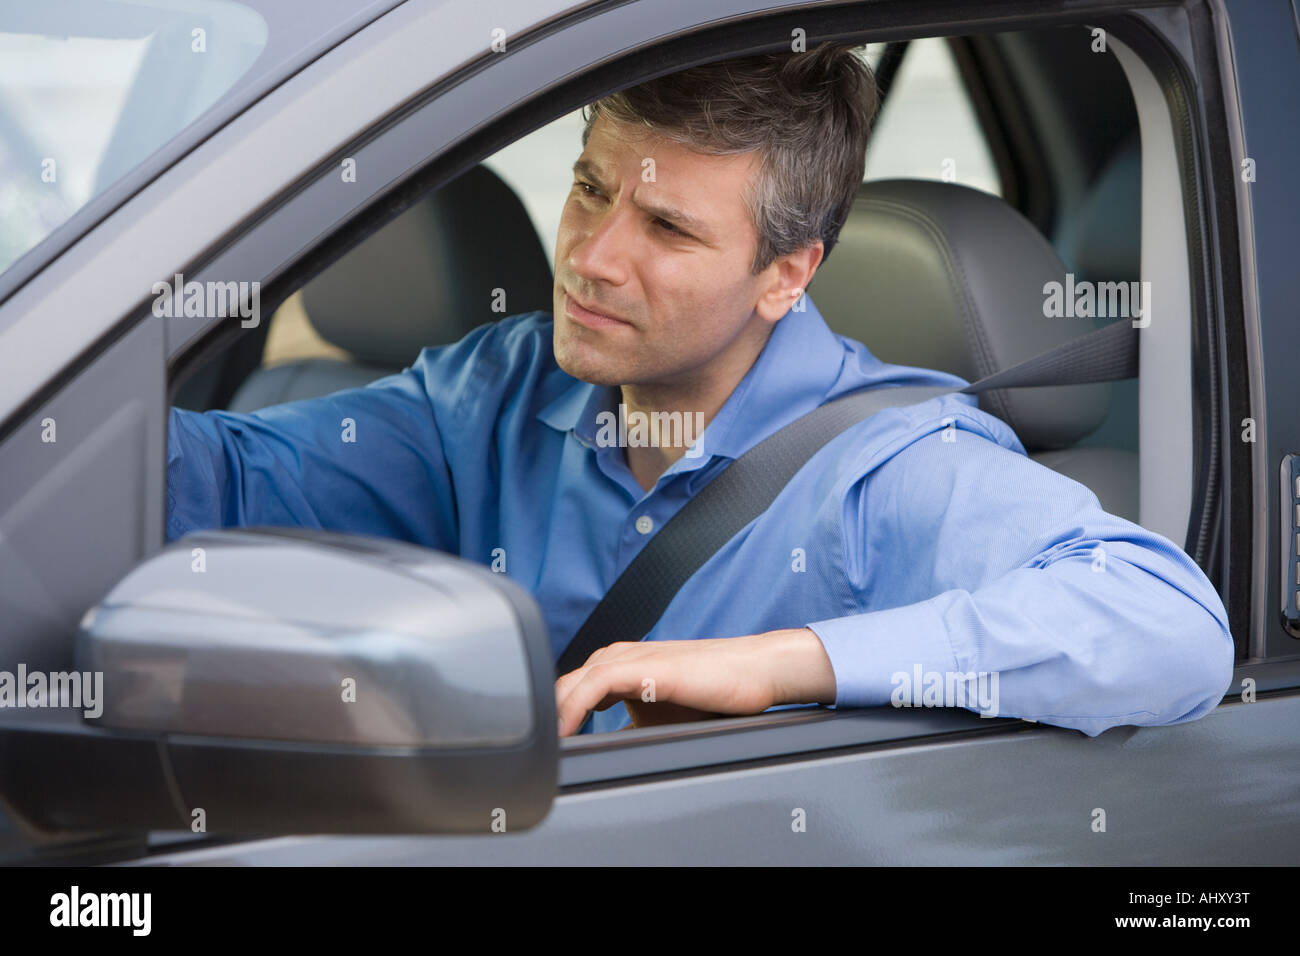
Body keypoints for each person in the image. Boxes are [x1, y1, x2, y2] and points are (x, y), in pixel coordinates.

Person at [166, 43, 1233, 737]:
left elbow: (1170, 622)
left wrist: (782, 664)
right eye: (588, 191)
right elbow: (213, 475)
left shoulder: (892, 465)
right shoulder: (499, 387)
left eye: (668, 228)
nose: (590, 257)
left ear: (787, 273)